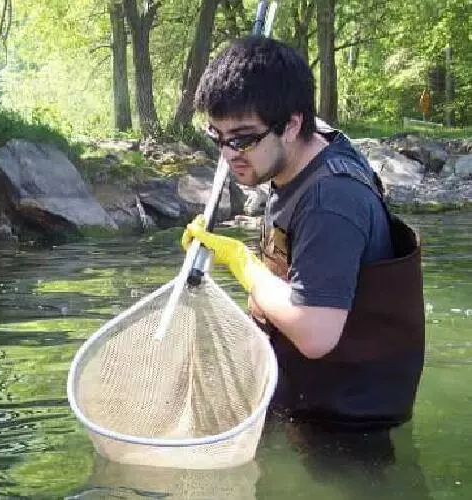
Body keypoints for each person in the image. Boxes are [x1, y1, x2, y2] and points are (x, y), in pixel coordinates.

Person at [182, 36, 425, 430]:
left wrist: (239, 260)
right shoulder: (301, 145)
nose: (228, 154)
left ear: (293, 124)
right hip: (301, 390)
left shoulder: (332, 200)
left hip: (344, 422)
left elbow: (315, 333)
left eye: (242, 138)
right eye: (217, 136)